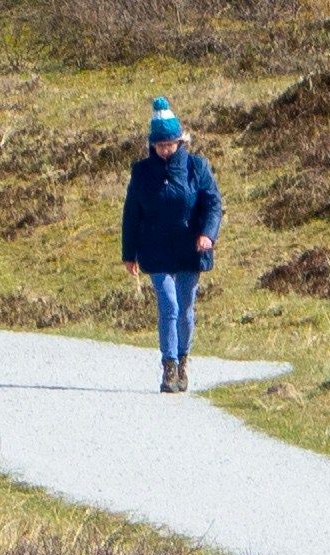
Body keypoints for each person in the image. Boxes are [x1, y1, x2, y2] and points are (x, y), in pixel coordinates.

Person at [119, 98, 222, 394]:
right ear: (152, 145)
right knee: (169, 306)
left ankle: (184, 360)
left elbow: (213, 204)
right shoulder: (141, 172)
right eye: (159, 145)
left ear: (180, 141)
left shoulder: (196, 167)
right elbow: (131, 213)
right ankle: (169, 366)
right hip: (156, 249)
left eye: (170, 144)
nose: (165, 150)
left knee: (186, 308)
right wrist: (129, 253)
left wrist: (207, 235)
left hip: (190, 249)